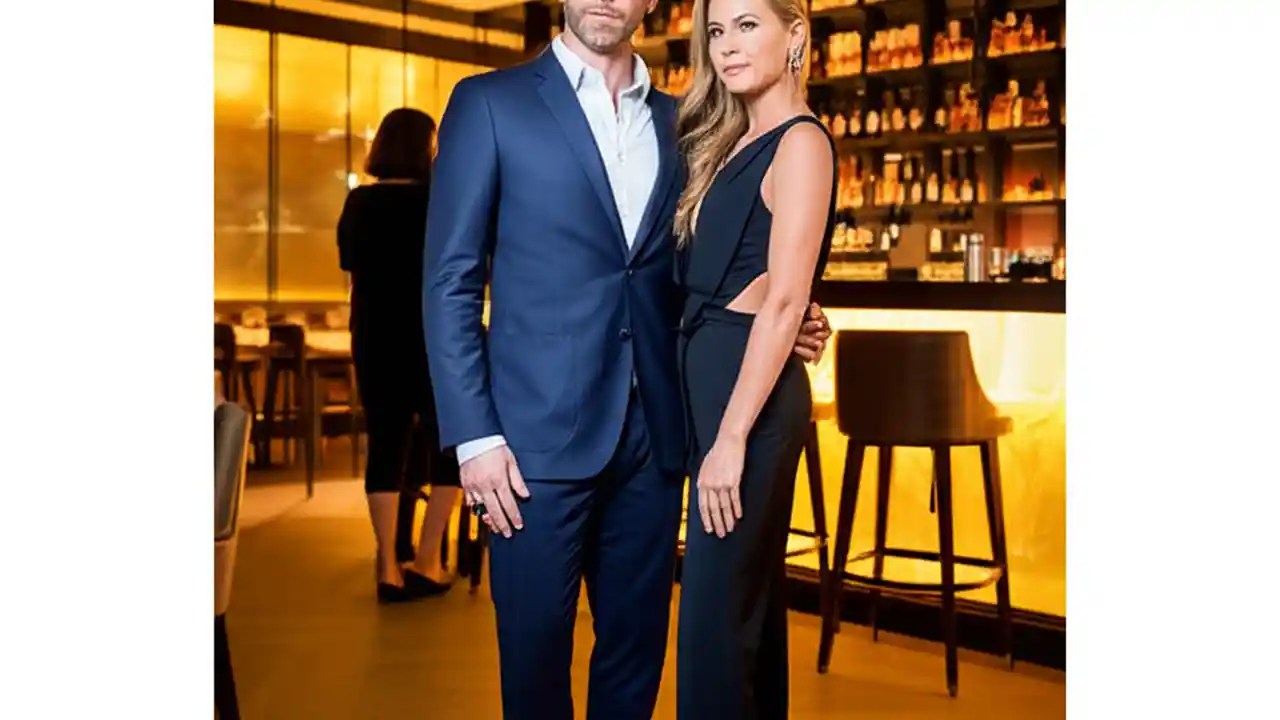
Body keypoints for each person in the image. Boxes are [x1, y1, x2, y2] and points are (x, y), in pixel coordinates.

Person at [423, 0, 831, 716]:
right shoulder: (490, 104)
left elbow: (696, 266)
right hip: (529, 448)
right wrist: (475, 438)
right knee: (534, 660)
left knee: (636, 658)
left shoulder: (694, 126)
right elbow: (450, 280)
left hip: (658, 441)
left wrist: (782, 312)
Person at [672, 0, 835, 716]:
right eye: (715, 31)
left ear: (795, 35)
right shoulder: (731, 138)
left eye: (747, 26)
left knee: (714, 625)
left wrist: (731, 438)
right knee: (747, 622)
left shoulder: (801, 142)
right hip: (716, 383)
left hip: (749, 406)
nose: (727, 46)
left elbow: (781, 298)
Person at [338, 108, 462, 604]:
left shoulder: (359, 203)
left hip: (374, 337)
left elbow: (351, 269)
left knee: (385, 446)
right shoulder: (440, 203)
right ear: (426, 149)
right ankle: (428, 558)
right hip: (436, 338)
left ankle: (387, 565)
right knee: (450, 445)